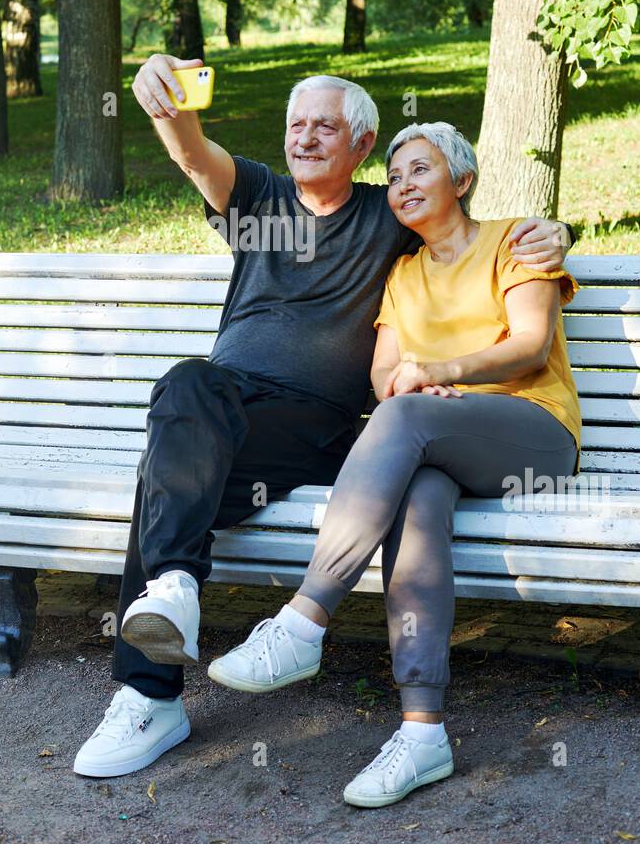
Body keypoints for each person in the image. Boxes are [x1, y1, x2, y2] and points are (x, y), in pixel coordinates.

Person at [72, 61, 574, 779]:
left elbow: (473, 236)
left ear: (360, 144)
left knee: (167, 476)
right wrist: (164, 101)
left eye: (326, 126)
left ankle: (170, 675)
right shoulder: (259, 198)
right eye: (296, 125)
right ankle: (166, 629)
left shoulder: (388, 218)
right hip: (222, 413)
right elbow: (191, 152)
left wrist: (557, 233)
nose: (306, 138)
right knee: (183, 401)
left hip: (315, 427)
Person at [209, 121, 581, 809]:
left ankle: (305, 619)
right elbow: (384, 376)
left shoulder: (514, 241)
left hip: (532, 434)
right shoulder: (403, 275)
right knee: (418, 502)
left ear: (462, 182)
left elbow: (530, 346)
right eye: (397, 174)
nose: (404, 185)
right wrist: (412, 387)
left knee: (403, 418)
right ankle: (422, 731)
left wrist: (439, 374)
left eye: (422, 170)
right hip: (441, 441)